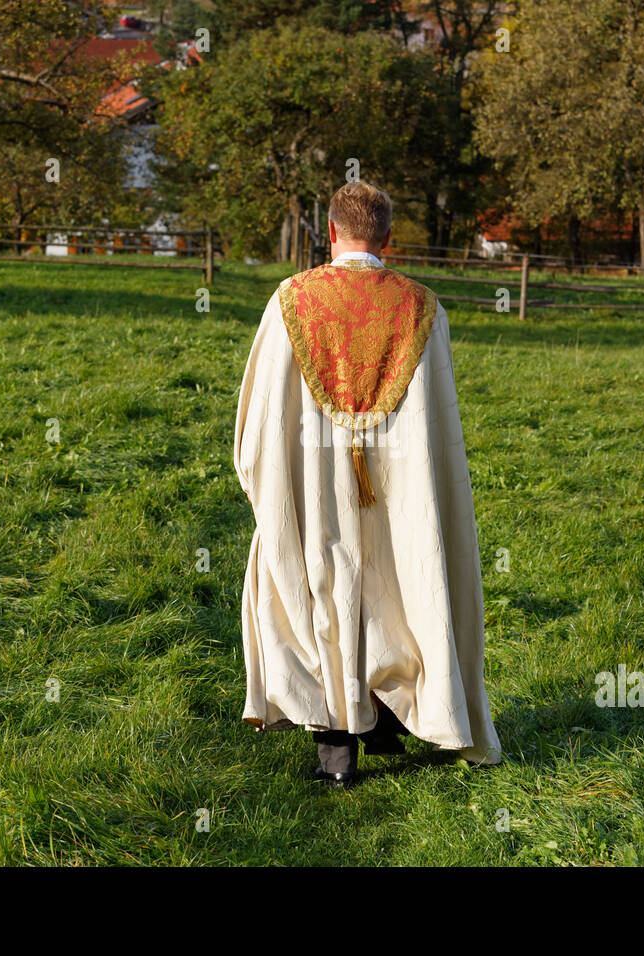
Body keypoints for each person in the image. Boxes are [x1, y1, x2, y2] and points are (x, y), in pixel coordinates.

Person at [233, 181, 502, 789]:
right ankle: (392, 717)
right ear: (388, 239)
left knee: (322, 587)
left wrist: (266, 479)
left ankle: (337, 751)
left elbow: (261, 416)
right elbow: (439, 421)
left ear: (330, 232)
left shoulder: (290, 300)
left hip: (313, 475)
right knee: (399, 585)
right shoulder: (423, 307)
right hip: (400, 481)